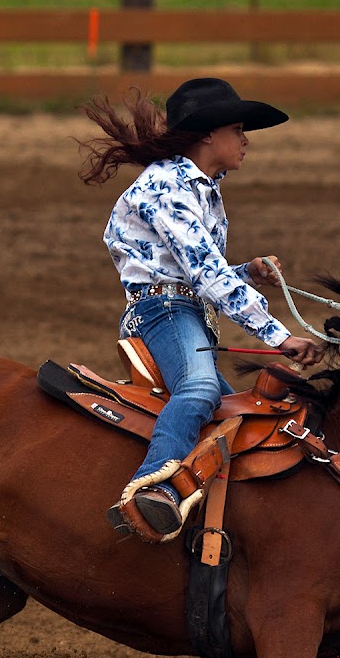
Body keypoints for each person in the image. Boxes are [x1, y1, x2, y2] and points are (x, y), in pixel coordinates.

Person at [78, 78, 323, 542]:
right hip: (163, 314)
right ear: (209, 134)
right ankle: (155, 489)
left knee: (233, 415)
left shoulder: (199, 188)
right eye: (237, 129)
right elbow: (204, 276)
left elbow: (196, 271)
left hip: (181, 309)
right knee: (200, 388)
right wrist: (279, 337)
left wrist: (246, 271)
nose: (246, 139)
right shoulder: (167, 188)